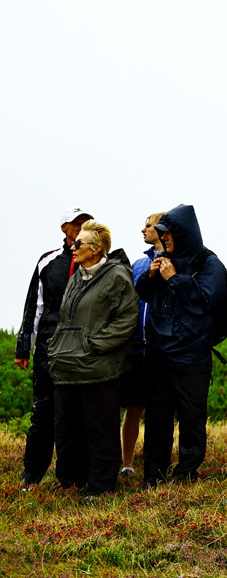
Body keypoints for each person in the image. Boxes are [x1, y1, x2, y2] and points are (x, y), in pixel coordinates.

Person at [137, 204, 227, 486]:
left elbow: (202, 301)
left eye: (167, 234)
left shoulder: (209, 263)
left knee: (191, 417)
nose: (163, 239)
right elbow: (142, 293)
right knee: (156, 417)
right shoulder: (163, 259)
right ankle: (154, 474)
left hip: (192, 354)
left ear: (183, 234)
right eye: (161, 234)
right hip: (158, 352)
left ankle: (186, 472)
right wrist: (151, 276)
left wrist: (173, 279)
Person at [46, 220, 138, 498]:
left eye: (79, 243)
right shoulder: (77, 276)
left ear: (97, 249)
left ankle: (101, 487)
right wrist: (57, 346)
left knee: (100, 430)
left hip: (98, 369)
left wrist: (92, 345)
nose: (72, 246)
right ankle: (72, 482)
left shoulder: (117, 276)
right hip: (67, 367)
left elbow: (127, 319)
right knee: (66, 429)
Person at [15, 207, 93, 489]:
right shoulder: (47, 262)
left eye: (87, 222)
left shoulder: (96, 260)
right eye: (77, 223)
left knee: (77, 414)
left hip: (81, 351)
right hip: (48, 349)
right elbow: (33, 306)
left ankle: (74, 477)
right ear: (65, 229)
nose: (82, 227)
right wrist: (24, 348)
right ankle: (32, 475)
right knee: (44, 412)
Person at [122, 212, 165, 477]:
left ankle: (158, 462)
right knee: (133, 407)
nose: (143, 230)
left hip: (163, 346)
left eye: (148, 226)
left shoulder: (179, 261)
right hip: (137, 345)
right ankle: (127, 464)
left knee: (162, 409)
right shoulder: (137, 264)